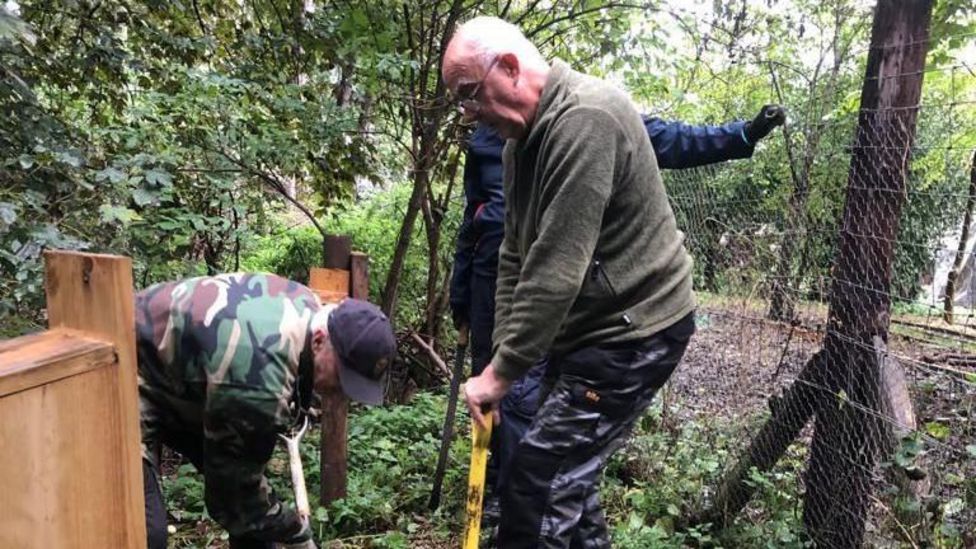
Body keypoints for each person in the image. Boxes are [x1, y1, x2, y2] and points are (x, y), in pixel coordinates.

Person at [442, 16, 731, 546]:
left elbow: (555, 270)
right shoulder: (517, 146)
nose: (468, 112)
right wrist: (500, 364)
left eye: (468, 93)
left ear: (508, 68)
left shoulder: (588, 119)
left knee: (538, 481)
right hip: (586, 331)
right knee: (564, 476)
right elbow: (514, 258)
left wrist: (502, 376)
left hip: (636, 330)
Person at [450, 108, 784, 509]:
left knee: (530, 407)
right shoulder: (486, 138)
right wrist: (461, 300)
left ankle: (519, 504)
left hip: (559, 288)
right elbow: (472, 221)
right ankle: (501, 496)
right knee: (494, 399)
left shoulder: (584, 118)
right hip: (494, 282)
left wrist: (741, 134)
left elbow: (669, 139)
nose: (476, 109)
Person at [136, 273, 396, 549]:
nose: (341, 393)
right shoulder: (259, 370)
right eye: (343, 378)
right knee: (144, 535)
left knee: (258, 529)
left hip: (178, 383)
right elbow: (231, 497)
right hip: (119, 372)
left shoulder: (306, 306)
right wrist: (299, 535)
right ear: (320, 340)